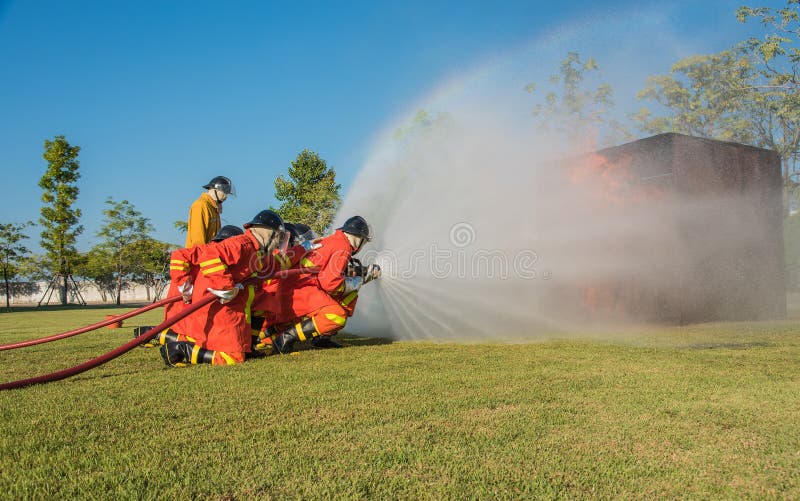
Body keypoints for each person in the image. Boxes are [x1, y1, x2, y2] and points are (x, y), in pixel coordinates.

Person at [160, 210, 286, 367]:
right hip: (218, 303)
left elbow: (275, 264)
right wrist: (225, 286)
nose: (278, 243)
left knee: (264, 303)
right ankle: (178, 349)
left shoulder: (255, 250)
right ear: (269, 234)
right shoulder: (242, 244)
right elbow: (209, 255)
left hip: (229, 304)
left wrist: (304, 250)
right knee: (232, 358)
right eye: (278, 237)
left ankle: (248, 347)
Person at [270, 215, 380, 354]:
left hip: (298, 286)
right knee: (336, 315)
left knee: (347, 297)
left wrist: (360, 276)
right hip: (300, 288)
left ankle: (322, 337)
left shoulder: (335, 241)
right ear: (359, 238)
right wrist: (357, 282)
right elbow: (331, 284)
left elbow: (329, 274)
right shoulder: (343, 246)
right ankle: (286, 339)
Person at [136, 225, 244, 347]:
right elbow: (178, 256)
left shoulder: (219, 254)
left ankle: (148, 333)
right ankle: (148, 333)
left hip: (192, 298)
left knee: (196, 336)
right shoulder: (207, 250)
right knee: (191, 337)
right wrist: (187, 289)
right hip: (183, 299)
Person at [185, 176, 235, 247]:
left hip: (210, 253)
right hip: (200, 255)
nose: (226, 196)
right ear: (216, 190)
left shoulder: (213, 208)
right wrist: (204, 256)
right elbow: (198, 239)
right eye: (225, 192)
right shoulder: (200, 205)